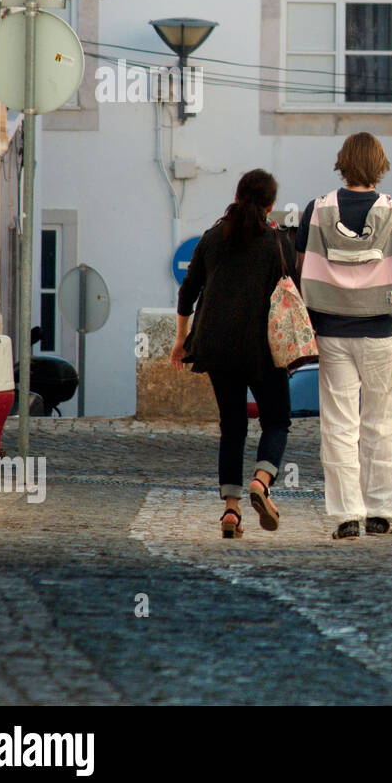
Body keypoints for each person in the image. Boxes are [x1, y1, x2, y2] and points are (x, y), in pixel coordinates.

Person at [296, 133, 392, 540]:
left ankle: (346, 516)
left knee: (338, 426)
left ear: (343, 163)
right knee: (380, 425)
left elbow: (300, 269)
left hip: (331, 333)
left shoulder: (316, 211)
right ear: (379, 166)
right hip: (381, 331)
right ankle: (382, 512)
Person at [170, 169, 299, 539]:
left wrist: (181, 340)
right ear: (271, 204)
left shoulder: (212, 237)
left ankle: (231, 512)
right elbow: (293, 291)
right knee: (276, 420)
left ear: (238, 195)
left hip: (216, 347)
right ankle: (261, 481)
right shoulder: (277, 242)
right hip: (262, 348)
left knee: (233, 425)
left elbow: (187, 292)